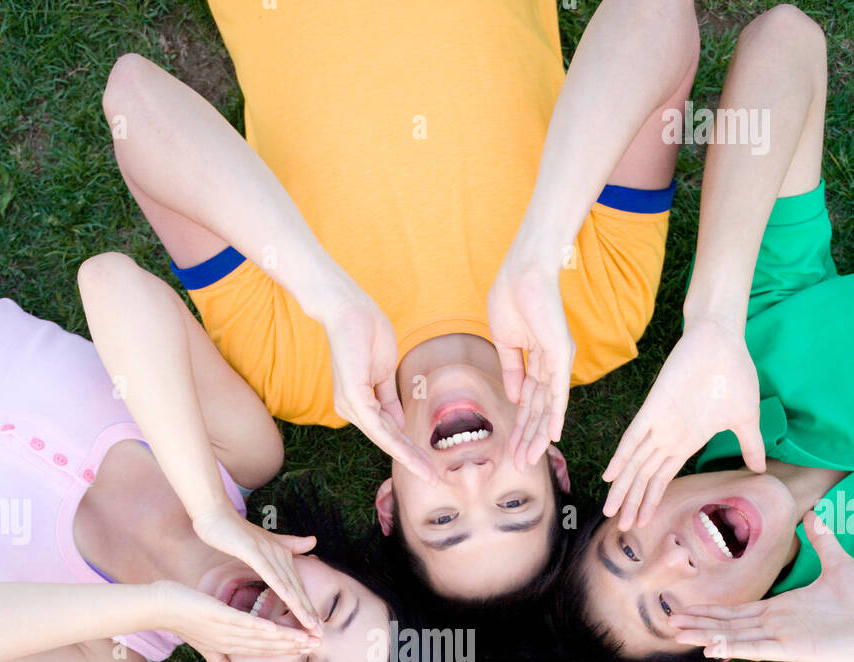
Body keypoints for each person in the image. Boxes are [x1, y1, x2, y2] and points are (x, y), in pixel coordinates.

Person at [101, 0, 701, 602]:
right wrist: (542, 248)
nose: (472, 480)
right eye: (514, 503)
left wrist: (328, 298)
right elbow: (656, 14)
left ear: (390, 507)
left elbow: (135, 98)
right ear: (555, 468)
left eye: (443, 522)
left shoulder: (295, 371)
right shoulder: (600, 315)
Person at [0, 282, 438, 662]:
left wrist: (156, 607)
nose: (294, 629)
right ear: (324, 563)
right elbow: (112, 283)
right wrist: (209, 509)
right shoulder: (241, 452)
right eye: (335, 608)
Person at [564, 6, 854, 662]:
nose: (674, 559)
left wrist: (717, 320)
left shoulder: (746, 360)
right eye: (667, 606)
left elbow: (785, 41)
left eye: (628, 546)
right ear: (728, 635)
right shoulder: (841, 619)